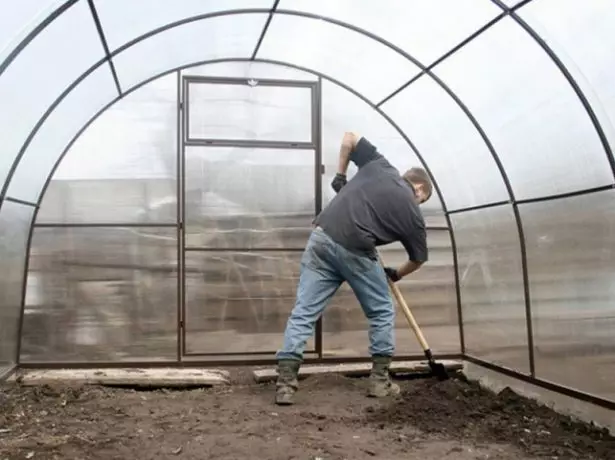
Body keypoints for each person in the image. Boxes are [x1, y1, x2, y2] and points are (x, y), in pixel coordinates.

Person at [274, 131, 432, 405]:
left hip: (321, 238)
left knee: (304, 310)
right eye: (422, 200)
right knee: (382, 310)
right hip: (356, 249)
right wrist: (396, 273)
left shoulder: (380, 165)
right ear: (419, 189)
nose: (419, 204)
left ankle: (285, 383)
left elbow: (349, 137)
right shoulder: (414, 214)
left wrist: (340, 175)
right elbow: (418, 259)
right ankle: (380, 381)